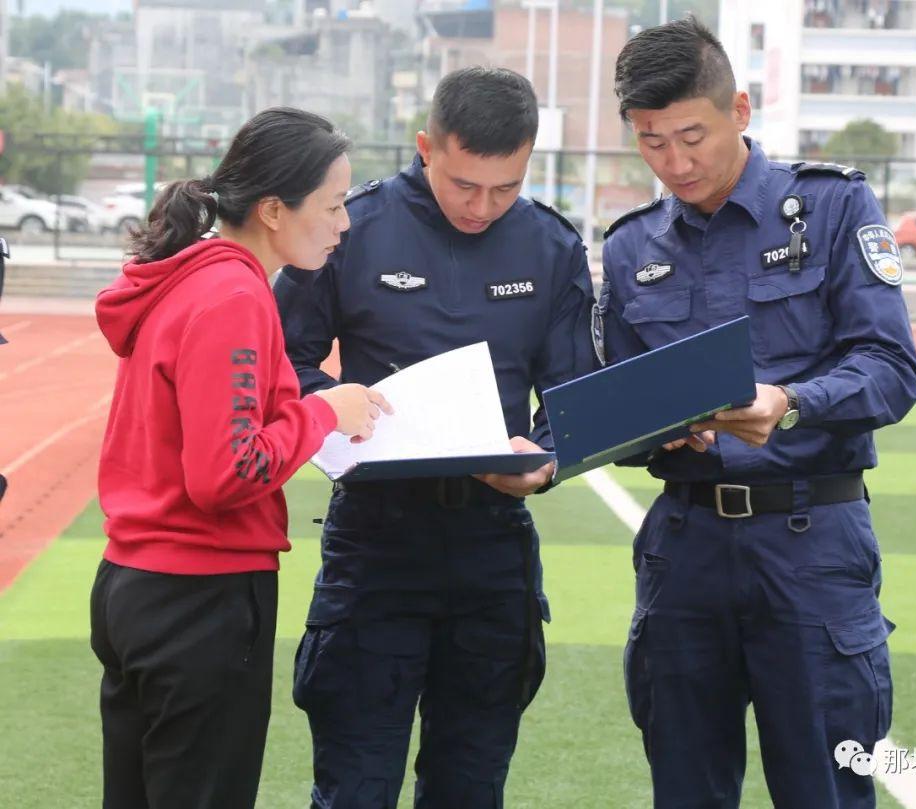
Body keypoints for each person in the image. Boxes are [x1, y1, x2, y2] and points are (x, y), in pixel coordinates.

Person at [599, 18, 916, 809]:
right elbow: (619, 408)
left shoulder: (831, 206)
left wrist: (790, 402)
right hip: (686, 548)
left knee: (824, 788)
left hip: (810, 544)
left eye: (691, 136)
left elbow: (892, 369)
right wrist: (649, 428)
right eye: (651, 142)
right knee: (685, 787)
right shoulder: (629, 245)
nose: (675, 163)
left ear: (739, 109)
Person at [275, 67, 596, 808]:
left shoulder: (551, 246)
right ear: (426, 147)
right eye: (463, 184)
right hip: (375, 548)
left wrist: (544, 461)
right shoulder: (353, 227)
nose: (482, 206)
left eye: (505, 187)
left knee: (471, 788)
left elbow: (573, 399)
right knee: (354, 787)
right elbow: (279, 361)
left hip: (494, 550)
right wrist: (335, 405)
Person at [90, 107, 390, 809]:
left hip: (136, 584)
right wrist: (323, 413)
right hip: (200, 598)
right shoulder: (232, 294)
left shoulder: (188, 278)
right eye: (334, 204)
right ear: (273, 211)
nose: (344, 224)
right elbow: (228, 472)